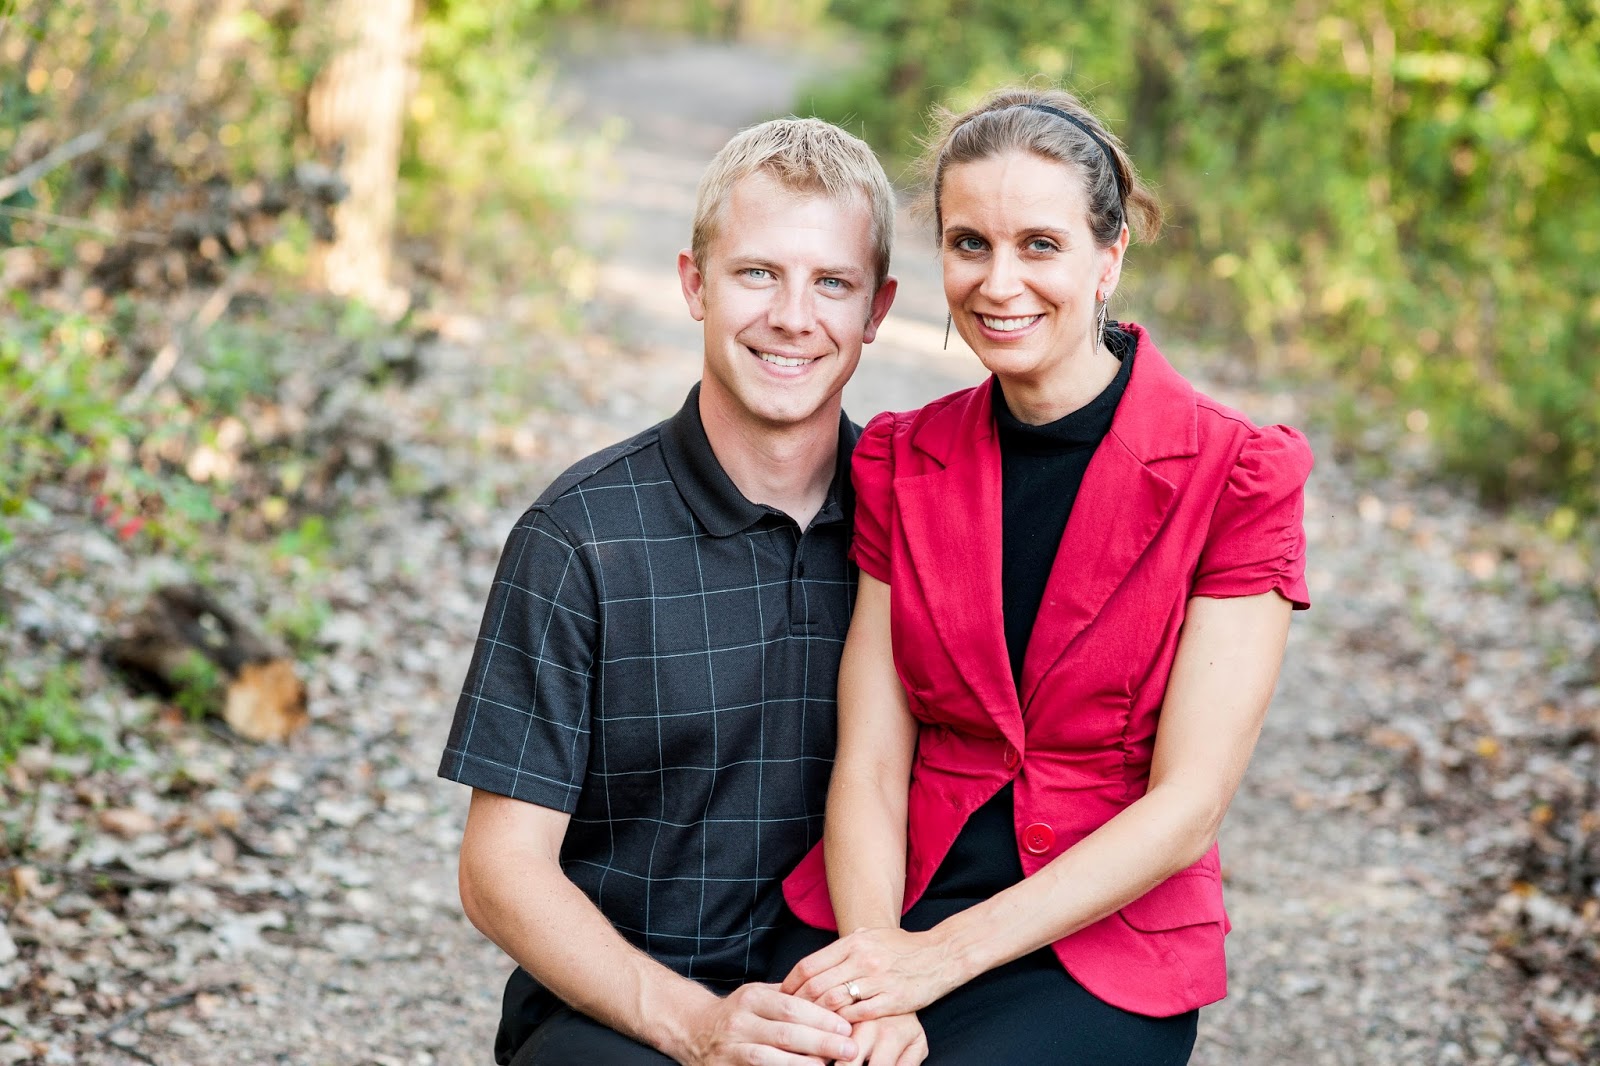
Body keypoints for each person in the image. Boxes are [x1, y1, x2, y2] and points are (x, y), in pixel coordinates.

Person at [775, 88, 1314, 1065]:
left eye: (1039, 245)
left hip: (1100, 940)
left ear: (1109, 258)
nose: (998, 282)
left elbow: (1187, 806)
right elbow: (871, 761)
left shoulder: (1237, 474)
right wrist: (875, 966)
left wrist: (935, 962)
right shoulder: (900, 459)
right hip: (890, 898)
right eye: (969, 244)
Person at [438, 117, 899, 1066]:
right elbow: (498, 871)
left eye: (832, 283)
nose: (793, 316)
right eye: (757, 273)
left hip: (854, 1003)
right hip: (627, 1012)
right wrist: (698, 1026)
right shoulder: (580, 538)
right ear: (694, 284)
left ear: (877, 309)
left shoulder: (919, 522)